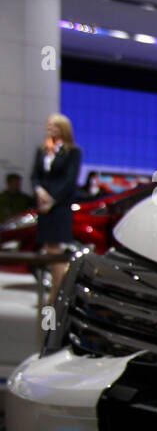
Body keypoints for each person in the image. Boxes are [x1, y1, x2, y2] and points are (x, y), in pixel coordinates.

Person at [30, 113, 83, 297]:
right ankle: (56, 292)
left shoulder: (73, 152)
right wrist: (39, 191)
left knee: (56, 251)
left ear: (63, 129)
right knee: (49, 248)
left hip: (59, 206)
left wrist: (52, 200)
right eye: (48, 125)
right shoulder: (42, 150)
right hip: (43, 205)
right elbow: (35, 176)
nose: (49, 128)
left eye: (53, 125)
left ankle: (57, 293)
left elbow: (70, 181)